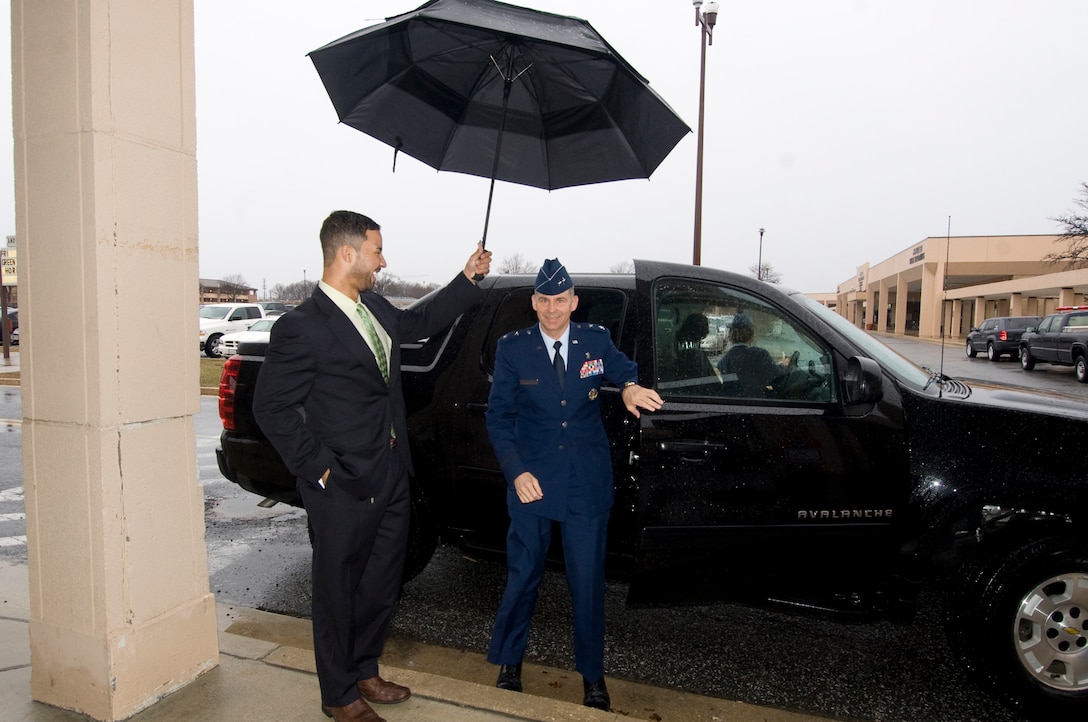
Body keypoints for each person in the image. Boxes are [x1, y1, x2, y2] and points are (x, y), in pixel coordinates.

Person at [253, 210, 491, 722]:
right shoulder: (301, 326)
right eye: (377, 251)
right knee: (338, 590)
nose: (383, 261)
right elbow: (271, 407)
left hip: (391, 472)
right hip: (339, 482)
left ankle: (364, 669)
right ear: (347, 254)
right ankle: (338, 694)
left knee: (382, 582)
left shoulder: (377, 307)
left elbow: (421, 323)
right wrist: (316, 468)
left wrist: (468, 277)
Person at [484, 258, 663, 712]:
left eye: (560, 300)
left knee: (587, 584)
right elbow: (498, 417)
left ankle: (592, 677)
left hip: (585, 482)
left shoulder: (595, 340)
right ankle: (509, 663)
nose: (551, 309)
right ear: (534, 302)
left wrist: (626, 388)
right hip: (532, 482)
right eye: (544, 300)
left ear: (573, 302)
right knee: (523, 576)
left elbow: (624, 370)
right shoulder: (514, 348)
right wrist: (515, 470)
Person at [716, 313, 784, 397]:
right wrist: (784, 366)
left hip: (733, 403)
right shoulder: (760, 355)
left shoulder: (725, 359)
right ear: (751, 334)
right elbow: (777, 379)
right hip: (757, 404)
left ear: (731, 335)